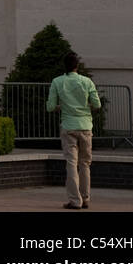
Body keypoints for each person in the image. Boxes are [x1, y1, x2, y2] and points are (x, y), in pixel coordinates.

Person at [47, 52, 102, 209]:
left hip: (68, 126)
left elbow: (50, 107)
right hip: (85, 126)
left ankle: (74, 200)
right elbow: (97, 105)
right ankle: (85, 198)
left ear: (64, 66)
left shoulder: (57, 81)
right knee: (85, 164)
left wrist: (62, 107)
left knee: (71, 163)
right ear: (77, 66)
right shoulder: (87, 81)